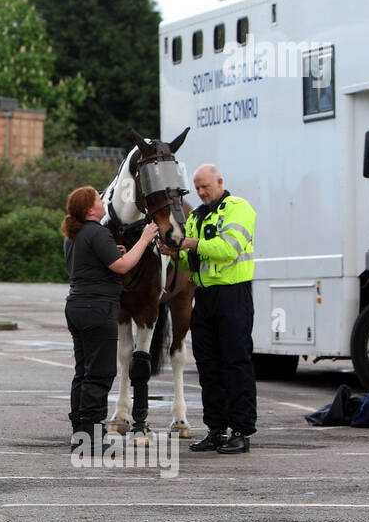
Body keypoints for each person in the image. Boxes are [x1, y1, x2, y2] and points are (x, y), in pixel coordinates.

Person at [160, 164, 257, 454]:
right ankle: (216, 429)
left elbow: (228, 250)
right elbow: (192, 262)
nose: (202, 193)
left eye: (206, 186)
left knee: (235, 362)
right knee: (208, 367)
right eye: (198, 188)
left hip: (232, 295)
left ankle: (241, 430)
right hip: (203, 296)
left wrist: (188, 243)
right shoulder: (197, 217)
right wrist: (175, 254)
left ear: (220, 182)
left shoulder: (238, 208)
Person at [61, 186, 159, 452]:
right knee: (100, 372)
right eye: (98, 199)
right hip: (98, 308)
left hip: (77, 305)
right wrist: (145, 239)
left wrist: (112, 251)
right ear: (90, 209)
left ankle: (79, 431)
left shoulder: (75, 234)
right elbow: (123, 266)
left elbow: (95, 260)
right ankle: (92, 437)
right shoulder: (98, 232)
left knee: (83, 371)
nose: (103, 202)